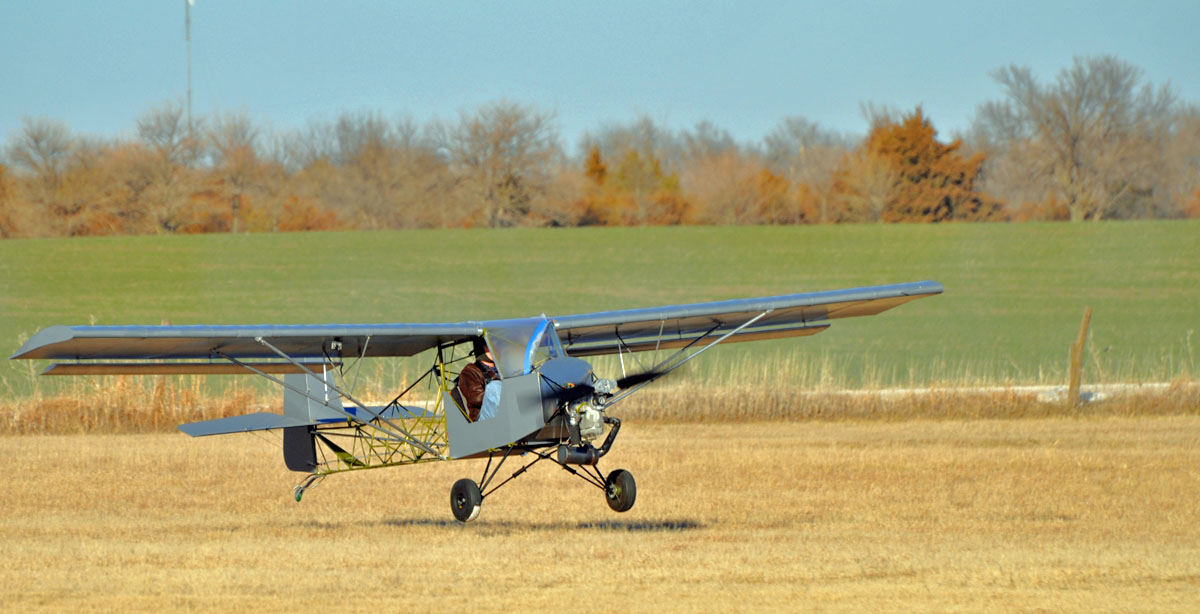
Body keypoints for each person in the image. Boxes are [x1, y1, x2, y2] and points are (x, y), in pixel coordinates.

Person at [452, 338, 500, 422]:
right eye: (489, 346)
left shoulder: (502, 369)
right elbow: (476, 399)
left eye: (496, 345)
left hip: (504, 411)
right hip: (481, 418)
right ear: (480, 348)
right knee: (495, 386)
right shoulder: (469, 371)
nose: (495, 349)